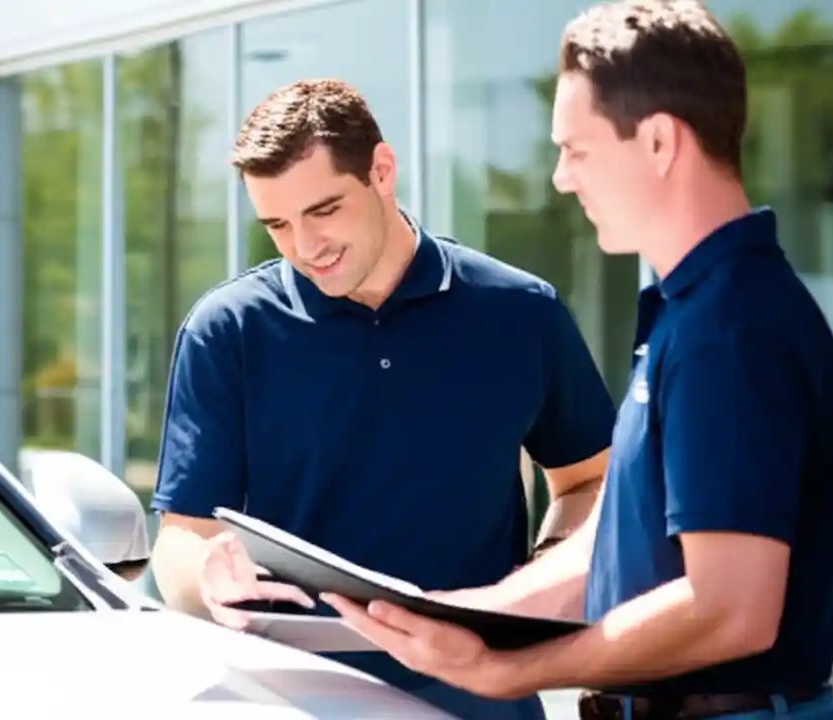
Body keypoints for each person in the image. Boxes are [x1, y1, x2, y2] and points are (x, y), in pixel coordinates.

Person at [323, 3, 833, 719]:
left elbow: (731, 609)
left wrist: (513, 673)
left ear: (660, 141)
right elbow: (617, 540)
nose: (560, 180)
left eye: (576, 149)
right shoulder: (692, 311)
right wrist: (464, 615)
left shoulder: (731, 330)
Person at [147, 77, 616, 719]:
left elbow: (588, 478)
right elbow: (179, 541)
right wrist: (206, 580)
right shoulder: (228, 331)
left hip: (480, 700)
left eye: (324, 210)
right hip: (294, 699)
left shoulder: (519, 313)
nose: (305, 248)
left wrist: (535, 587)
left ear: (382, 171)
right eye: (278, 224)